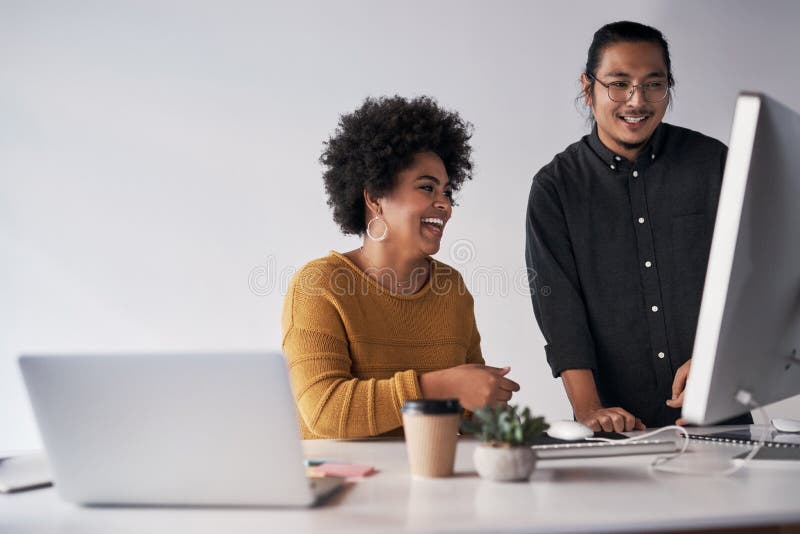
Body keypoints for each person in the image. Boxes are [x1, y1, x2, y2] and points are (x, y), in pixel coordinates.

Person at [525, 21, 752, 431]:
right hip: (619, 429)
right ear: (587, 87)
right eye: (618, 83)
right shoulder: (555, 188)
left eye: (653, 84)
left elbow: (754, 280)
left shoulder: (714, 164)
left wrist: (716, 360)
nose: (636, 100)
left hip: (720, 419)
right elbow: (561, 315)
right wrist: (590, 411)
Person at [283, 95, 520, 439]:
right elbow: (324, 410)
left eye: (447, 191)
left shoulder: (451, 289)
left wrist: (487, 402)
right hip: (346, 485)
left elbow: (467, 412)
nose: (445, 204)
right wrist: (438, 387)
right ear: (375, 197)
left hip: (432, 481)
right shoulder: (319, 285)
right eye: (427, 187)